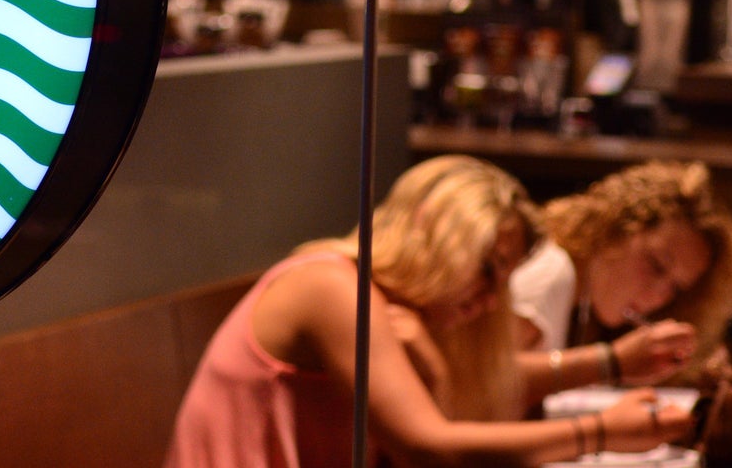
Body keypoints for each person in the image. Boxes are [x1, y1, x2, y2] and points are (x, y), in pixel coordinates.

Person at [166, 155, 690, 468]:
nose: (489, 300)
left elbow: (457, 413)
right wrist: (600, 432)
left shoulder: (392, 312)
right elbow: (429, 447)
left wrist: (436, 372)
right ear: (431, 227)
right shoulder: (331, 287)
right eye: (487, 268)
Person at [510, 160, 732, 404]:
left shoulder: (580, 304)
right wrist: (613, 361)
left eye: (675, 288)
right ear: (616, 229)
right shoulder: (550, 268)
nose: (657, 296)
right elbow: (492, 381)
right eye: (656, 266)